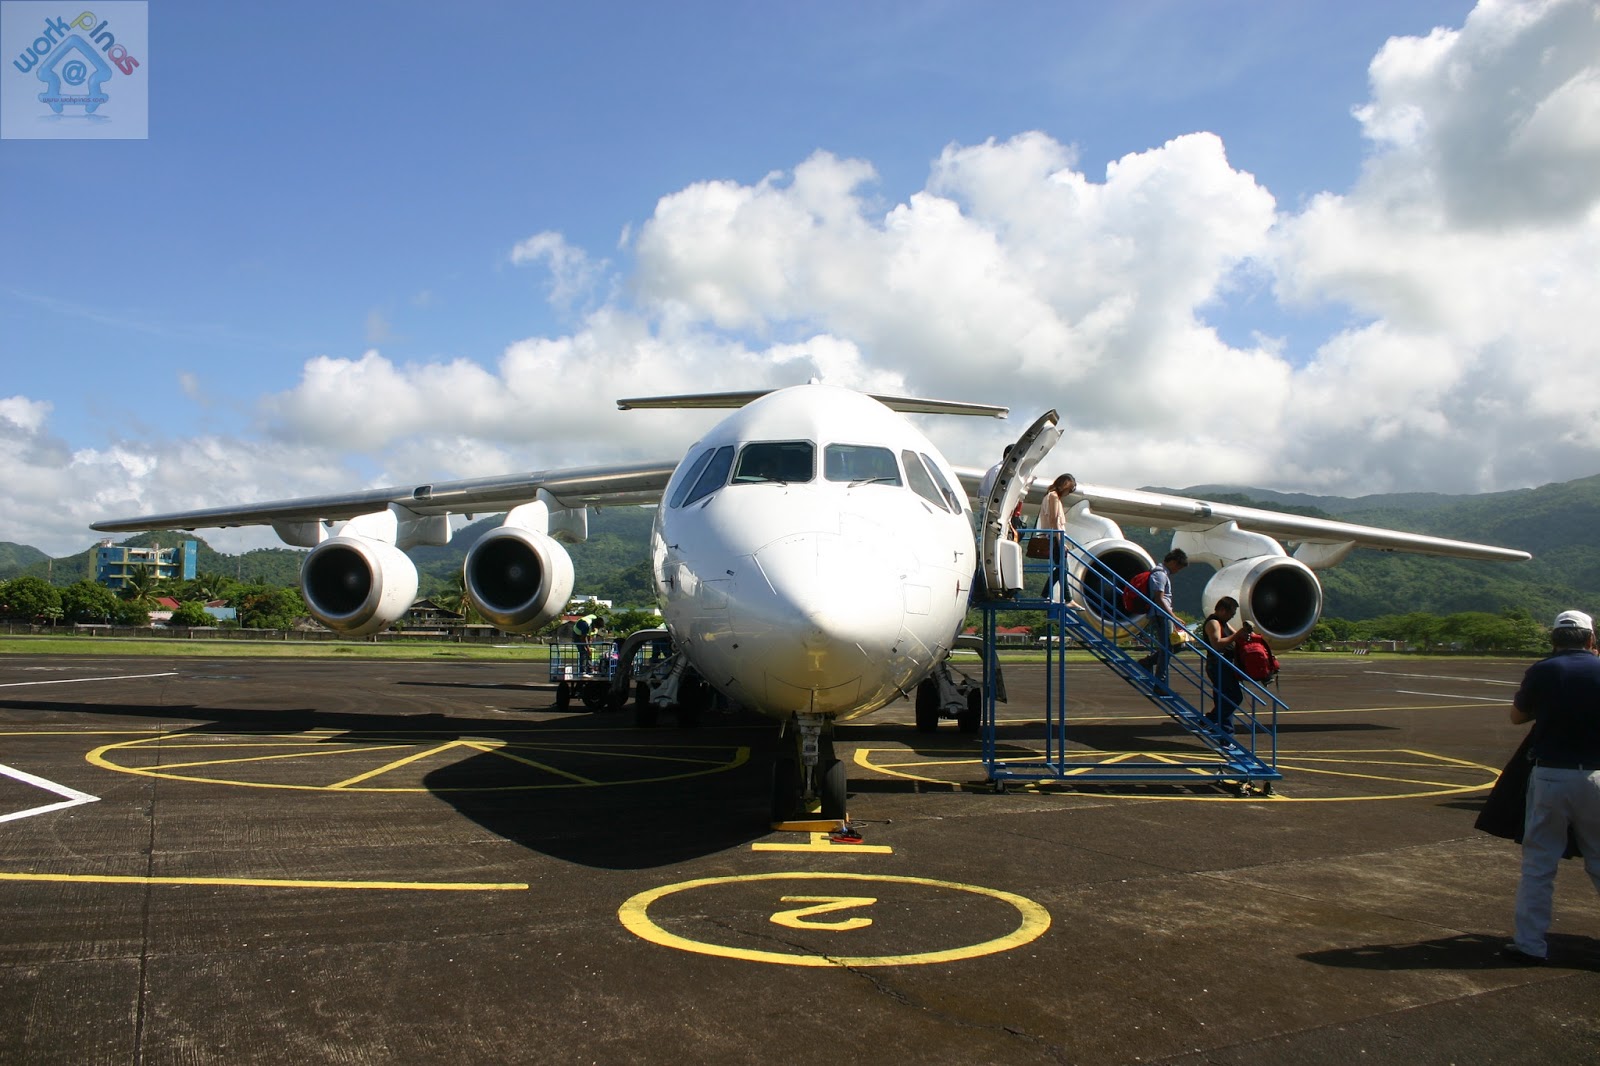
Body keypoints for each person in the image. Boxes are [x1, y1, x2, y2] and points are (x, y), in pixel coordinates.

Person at [1502, 609, 1600, 965]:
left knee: (1539, 864)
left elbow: (1517, 716)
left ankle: (1530, 944)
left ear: (1554, 639)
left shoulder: (1543, 670)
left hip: (1551, 775)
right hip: (1596, 775)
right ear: (1591, 639)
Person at [1134, 549, 1188, 682]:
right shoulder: (1160, 575)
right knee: (1167, 648)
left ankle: (1148, 662)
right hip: (1160, 615)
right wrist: (1173, 617)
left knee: (1176, 645)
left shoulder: (1162, 574)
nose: (1177, 571)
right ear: (1173, 562)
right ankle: (1160, 680)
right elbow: (1159, 598)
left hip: (1163, 615)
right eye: (1178, 567)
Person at [1201, 596, 1251, 733]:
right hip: (1218, 664)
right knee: (1235, 697)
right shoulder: (1213, 623)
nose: (1232, 616)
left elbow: (1236, 635)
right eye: (1231, 613)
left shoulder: (1223, 623)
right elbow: (1216, 644)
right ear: (1223, 610)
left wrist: (1244, 634)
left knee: (1224, 699)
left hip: (1224, 664)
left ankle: (1223, 729)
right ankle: (1210, 721)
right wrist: (1237, 635)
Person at [1035, 473, 1079, 603]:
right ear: (1064, 486)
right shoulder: (1053, 497)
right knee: (1062, 568)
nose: (1068, 493)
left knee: (1061, 569)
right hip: (1054, 538)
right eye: (1069, 490)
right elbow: (1054, 521)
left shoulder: (1049, 496)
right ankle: (1067, 599)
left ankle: (1048, 596)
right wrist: (1060, 542)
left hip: (1052, 537)